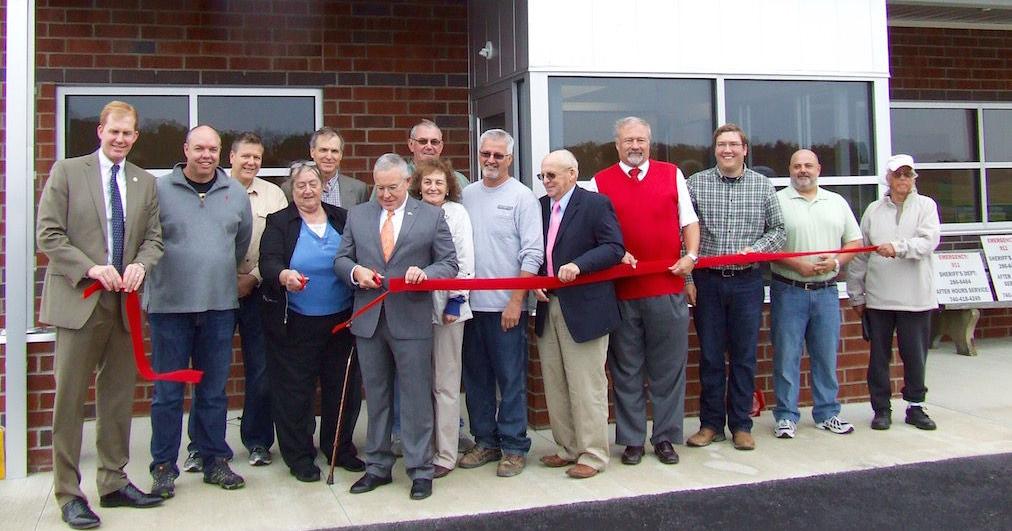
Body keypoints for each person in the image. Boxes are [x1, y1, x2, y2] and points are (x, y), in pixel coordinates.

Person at [37, 100, 165, 529]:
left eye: (128, 133)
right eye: (115, 132)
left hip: (124, 305)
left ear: (136, 137)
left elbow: (153, 239)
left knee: (116, 399)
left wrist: (141, 265)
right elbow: (49, 234)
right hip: (80, 300)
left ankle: (113, 482)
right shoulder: (68, 172)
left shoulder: (144, 182)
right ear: (100, 131)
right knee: (70, 401)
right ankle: (69, 494)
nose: (121, 139)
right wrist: (91, 268)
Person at [335, 153, 457, 500]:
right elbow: (342, 259)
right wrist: (355, 273)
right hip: (369, 318)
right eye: (380, 187)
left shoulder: (431, 216)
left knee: (416, 396)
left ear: (407, 182)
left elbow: (449, 263)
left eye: (392, 187)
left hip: (412, 318)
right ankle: (377, 466)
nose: (386, 194)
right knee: (376, 395)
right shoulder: (359, 215)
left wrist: (426, 274)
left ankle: (420, 469)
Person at [145, 125, 253, 497]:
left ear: (221, 152)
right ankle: (163, 466)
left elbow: (239, 244)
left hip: (219, 306)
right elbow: (146, 240)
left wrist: (213, 270)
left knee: (212, 391)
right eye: (199, 148)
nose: (206, 155)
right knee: (168, 392)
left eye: (213, 149)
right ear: (185, 149)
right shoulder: (159, 190)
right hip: (169, 308)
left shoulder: (235, 193)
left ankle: (214, 460)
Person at [589, 117, 701, 466]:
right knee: (626, 369)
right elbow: (593, 232)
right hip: (621, 293)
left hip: (666, 288)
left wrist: (691, 258)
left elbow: (689, 221)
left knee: (669, 368)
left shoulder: (671, 174)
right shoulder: (599, 182)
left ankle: (665, 437)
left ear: (649, 142)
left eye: (641, 140)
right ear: (617, 144)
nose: (635, 146)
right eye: (628, 140)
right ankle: (632, 439)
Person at [180, 133, 288, 474]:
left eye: (257, 157)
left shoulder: (274, 196)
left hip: (258, 291)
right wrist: (229, 280)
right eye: (246, 156)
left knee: (261, 370)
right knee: (209, 370)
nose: (251, 163)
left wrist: (253, 277)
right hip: (215, 291)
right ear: (232, 156)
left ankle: (257, 441)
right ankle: (200, 446)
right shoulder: (216, 190)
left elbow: (280, 244)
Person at [258, 161, 362, 482]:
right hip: (296, 324)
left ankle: (338, 448)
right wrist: (284, 275)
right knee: (295, 393)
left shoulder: (341, 218)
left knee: (342, 388)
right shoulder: (280, 222)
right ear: (292, 189)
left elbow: (358, 256)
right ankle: (300, 455)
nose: (307, 190)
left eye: (313, 184)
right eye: (300, 185)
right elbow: (269, 261)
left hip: (341, 322)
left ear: (323, 187)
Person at [686, 123, 785, 451]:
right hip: (708, 283)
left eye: (733, 145)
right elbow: (681, 231)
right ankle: (710, 424)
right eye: (721, 145)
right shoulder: (696, 184)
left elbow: (779, 230)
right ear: (714, 150)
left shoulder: (762, 186)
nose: (727, 150)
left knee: (744, 356)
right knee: (711, 356)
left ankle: (741, 424)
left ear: (745, 149)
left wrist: (758, 249)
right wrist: (687, 278)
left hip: (746, 282)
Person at [533, 150, 624, 479]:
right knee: (556, 383)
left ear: (572, 174)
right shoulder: (540, 207)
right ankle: (567, 448)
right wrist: (534, 281)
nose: (546, 182)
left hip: (585, 307)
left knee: (586, 385)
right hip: (549, 305)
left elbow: (614, 247)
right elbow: (537, 250)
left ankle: (593, 454)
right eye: (543, 176)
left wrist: (579, 265)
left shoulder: (595, 204)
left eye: (552, 176)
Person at [459, 129, 544, 478]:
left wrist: (516, 301)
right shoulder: (466, 195)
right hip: (468, 307)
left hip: (506, 308)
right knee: (476, 379)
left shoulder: (522, 197)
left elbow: (532, 252)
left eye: (498, 155)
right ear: (479, 155)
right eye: (486, 154)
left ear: (509, 158)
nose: (491, 160)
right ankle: (486, 441)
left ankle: (513, 446)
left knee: (510, 380)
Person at [770, 149, 863, 439]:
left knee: (825, 356)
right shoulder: (777, 201)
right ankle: (786, 416)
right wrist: (795, 262)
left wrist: (836, 263)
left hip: (826, 293)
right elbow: (767, 244)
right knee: (786, 356)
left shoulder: (836, 202)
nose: (802, 170)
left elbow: (855, 240)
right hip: (789, 290)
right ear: (789, 169)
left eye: (808, 165)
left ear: (818, 169)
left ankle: (827, 413)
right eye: (797, 166)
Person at [847, 154, 941, 431]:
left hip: (916, 298)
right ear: (887, 178)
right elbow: (860, 256)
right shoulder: (874, 210)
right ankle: (881, 409)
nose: (903, 180)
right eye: (897, 175)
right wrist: (856, 294)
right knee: (878, 357)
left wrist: (897, 248)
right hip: (879, 298)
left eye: (907, 175)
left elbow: (928, 242)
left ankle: (915, 406)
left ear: (914, 178)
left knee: (914, 356)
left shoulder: (926, 206)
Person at [407, 157, 475, 478]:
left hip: (449, 309)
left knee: (446, 384)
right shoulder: (411, 213)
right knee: (419, 382)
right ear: (418, 185)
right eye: (427, 182)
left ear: (449, 186)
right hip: (415, 310)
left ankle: (445, 454)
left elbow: (464, 260)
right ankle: (423, 447)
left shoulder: (457, 214)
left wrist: (456, 300)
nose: (433, 187)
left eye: (439, 182)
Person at [282, 126, 369, 208]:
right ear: (312, 152)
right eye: (323, 150)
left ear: (341, 155)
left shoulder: (359, 189)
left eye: (334, 151)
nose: (329, 157)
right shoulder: (289, 188)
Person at [406, 119, 470, 191]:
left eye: (434, 142)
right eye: (423, 141)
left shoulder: (459, 181)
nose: (429, 147)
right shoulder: (401, 178)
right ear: (411, 144)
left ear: (441, 146)